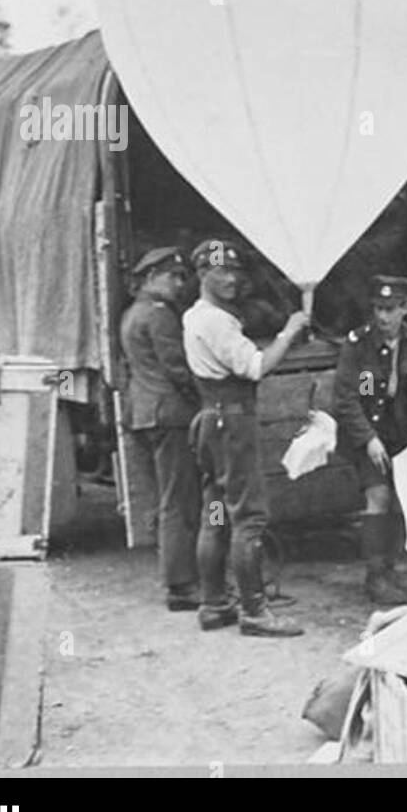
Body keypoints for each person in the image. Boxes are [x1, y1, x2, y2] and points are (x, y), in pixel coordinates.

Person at [183, 238, 311, 636]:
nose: (232, 280)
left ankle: (214, 603)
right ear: (203, 274)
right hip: (232, 425)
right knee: (248, 517)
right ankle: (255, 612)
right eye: (221, 271)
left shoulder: (196, 316)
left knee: (216, 511)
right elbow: (258, 366)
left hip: (211, 421)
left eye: (235, 272)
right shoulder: (217, 321)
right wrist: (289, 332)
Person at [333, 275, 407, 605]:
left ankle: (391, 568)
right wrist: (368, 439)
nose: (383, 317)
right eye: (378, 308)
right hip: (364, 431)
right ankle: (375, 576)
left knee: (399, 499)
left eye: (391, 309)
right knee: (377, 496)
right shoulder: (358, 343)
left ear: (405, 309)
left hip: (399, 431)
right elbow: (346, 399)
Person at [119, 246, 201, 611]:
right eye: (174, 276)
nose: (180, 284)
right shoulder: (160, 315)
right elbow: (178, 369)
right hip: (170, 415)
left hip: (148, 413)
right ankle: (181, 585)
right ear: (152, 276)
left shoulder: (133, 313)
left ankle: (182, 579)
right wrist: (205, 398)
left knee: (172, 498)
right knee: (178, 501)